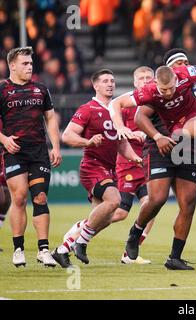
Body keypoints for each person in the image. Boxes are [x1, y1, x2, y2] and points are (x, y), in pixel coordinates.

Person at [109, 64, 196, 270]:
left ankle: (174, 257)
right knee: (157, 198)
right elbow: (134, 114)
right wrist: (152, 135)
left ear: (177, 78)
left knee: (188, 202)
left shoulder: (188, 78)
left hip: (186, 147)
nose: (168, 93)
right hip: (160, 147)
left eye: (171, 88)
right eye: (163, 89)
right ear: (157, 81)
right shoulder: (148, 91)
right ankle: (135, 233)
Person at [51, 69, 142, 268]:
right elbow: (67, 135)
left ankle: (62, 249)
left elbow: (120, 143)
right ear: (96, 86)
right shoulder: (88, 109)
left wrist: (135, 158)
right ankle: (81, 243)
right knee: (115, 200)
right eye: (105, 81)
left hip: (109, 170)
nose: (110, 84)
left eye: (112, 80)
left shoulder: (117, 110)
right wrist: (88, 142)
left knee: (104, 218)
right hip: (92, 167)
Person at [0, 46, 62, 267]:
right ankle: (18, 248)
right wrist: (4, 139)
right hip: (14, 152)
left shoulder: (41, 89)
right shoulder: (2, 89)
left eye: (31, 63)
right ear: (12, 65)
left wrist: (55, 146)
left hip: (38, 153)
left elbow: (50, 118)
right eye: (25, 63)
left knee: (40, 198)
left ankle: (43, 250)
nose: (29, 67)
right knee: (18, 198)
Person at [112, 66, 155, 264]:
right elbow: (116, 128)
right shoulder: (127, 103)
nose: (145, 80)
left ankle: (130, 252)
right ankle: (81, 231)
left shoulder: (158, 101)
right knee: (121, 212)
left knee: (152, 206)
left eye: (149, 77)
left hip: (147, 163)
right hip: (128, 163)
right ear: (135, 82)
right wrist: (129, 131)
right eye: (141, 78)